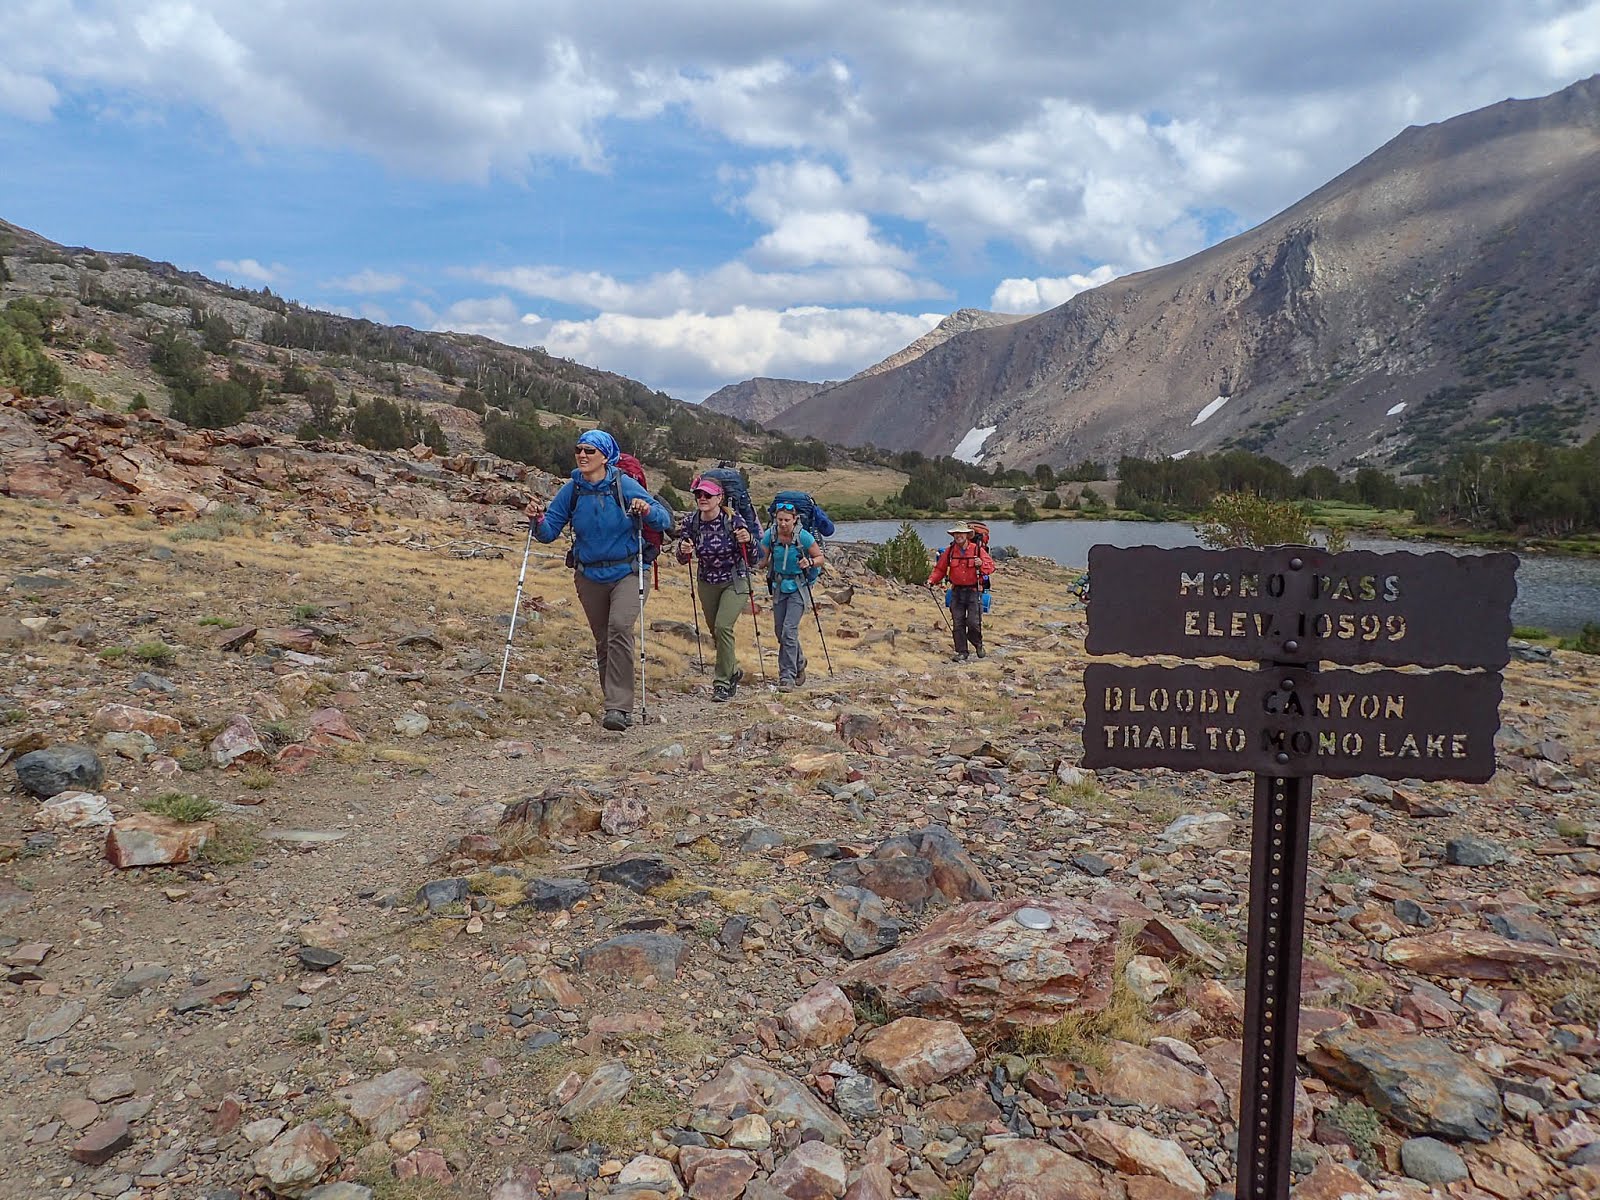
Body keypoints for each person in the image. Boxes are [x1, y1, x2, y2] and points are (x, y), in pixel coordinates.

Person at [524, 430, 672, 731]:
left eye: (590, 451)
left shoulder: (623, 484)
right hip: (589, 574)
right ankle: (613, 707)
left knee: (619, 627)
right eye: (579, 449)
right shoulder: (573, 490)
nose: (582, 455)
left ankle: (619, 707)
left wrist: (646, 510)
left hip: (629, 571)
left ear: (605, 456)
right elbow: (549, 532)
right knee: (604, 639)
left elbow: (663, 519)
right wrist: (536, 519)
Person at [675, 475, 758, 703]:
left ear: (719, 497)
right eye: (699, 494)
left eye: (707, 495)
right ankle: (733, 670)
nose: (702, 498)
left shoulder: (733, 520)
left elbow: (753, 558)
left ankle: (722, 684)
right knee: (716, 633)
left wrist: (749, 539)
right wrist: (684, 549)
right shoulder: (691, 523)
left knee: (723, 627)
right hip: (707, 582)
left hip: (735, 580)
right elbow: (682, 558)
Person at [757, 501, 825, 690]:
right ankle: (800, 662)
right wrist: (753, 561)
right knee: (781, 632)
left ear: (795, 519)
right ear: (775, 519)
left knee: (788, 631)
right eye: (780, 520)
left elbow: (820, 558)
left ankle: (786, 677)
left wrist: (810, 562)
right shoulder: (771, 536)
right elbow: (762, 559)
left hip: (798, 588)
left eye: (787, 520)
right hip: (779, 587)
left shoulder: (803, 536)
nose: (783, 523)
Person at [928, 521, 995, 662]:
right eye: (956, 533)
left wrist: (981, 564)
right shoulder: (950, 551)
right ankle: (962, 652)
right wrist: (931, 580)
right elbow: (940, 569)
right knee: (958, 623)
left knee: (973, 622)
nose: (958, 536)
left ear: (967, 535)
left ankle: (978, 644)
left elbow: (990, 567)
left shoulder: (977, 550)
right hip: (956, 591)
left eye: (961, 533)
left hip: (974, 591)